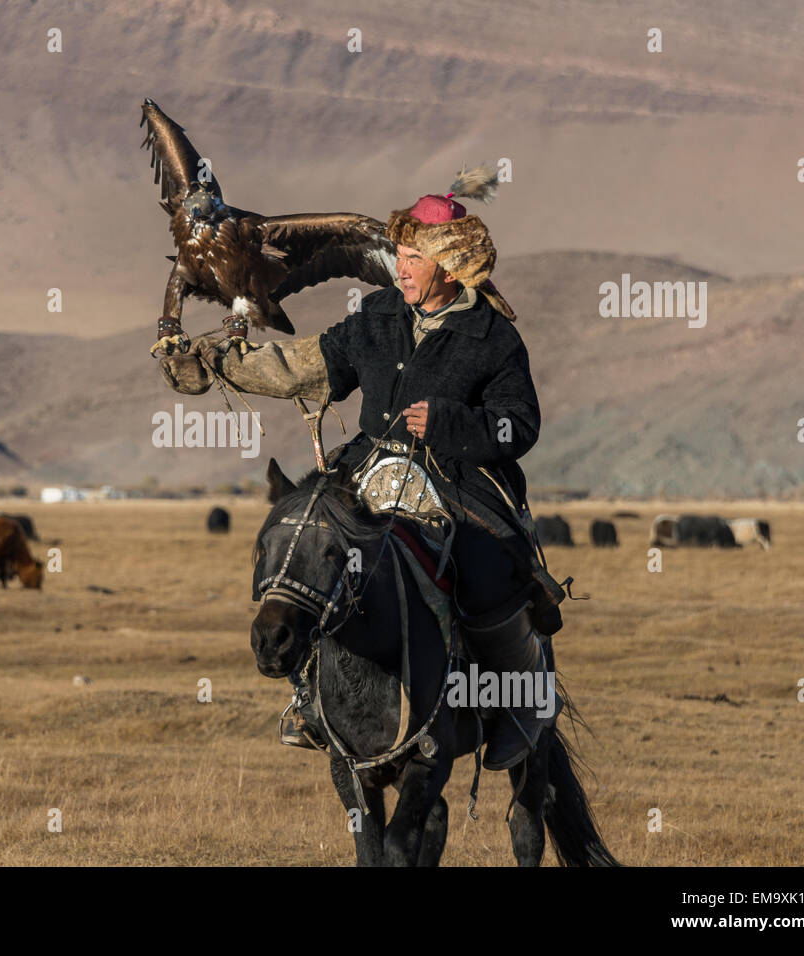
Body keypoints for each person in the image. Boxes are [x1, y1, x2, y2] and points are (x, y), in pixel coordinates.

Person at [158, 168, 566, 770]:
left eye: (411, 258)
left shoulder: (492, 338)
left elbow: (519, 428)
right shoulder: (378, 317)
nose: (399, 267)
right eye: (398, 256)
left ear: (448, 266)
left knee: (488, 568)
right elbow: (307, 366)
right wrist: (221, 362)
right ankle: (309, 697)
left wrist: (453, 424)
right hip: (370, 467)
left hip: (458, 482)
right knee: (308, 541)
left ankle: (520, 706)